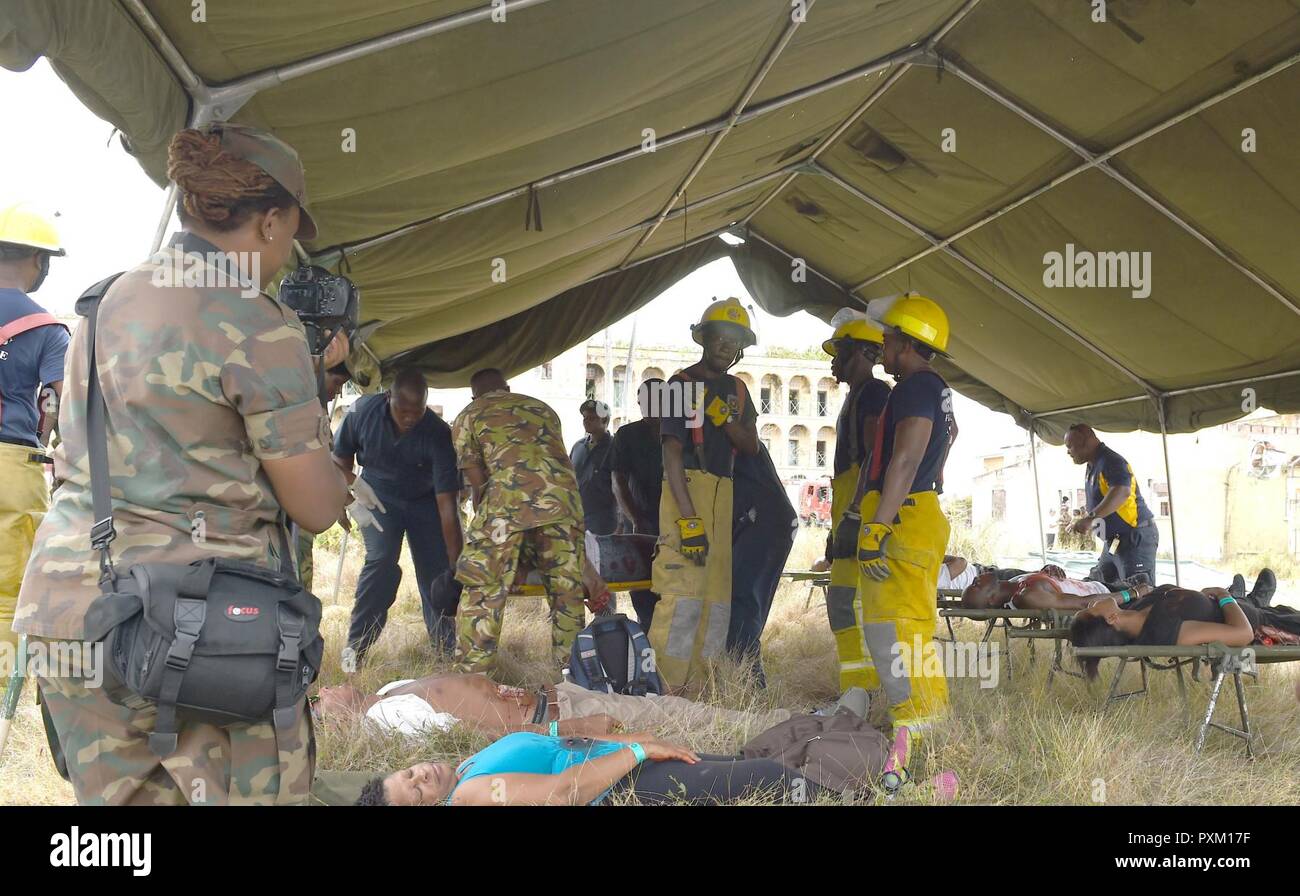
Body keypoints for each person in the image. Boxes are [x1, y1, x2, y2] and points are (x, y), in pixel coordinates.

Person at [15, 123, 352, 804]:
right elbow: (316, 506)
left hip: (69, 611)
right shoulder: (259, 323)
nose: (286, 255)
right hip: (195, 627)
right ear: (270, 221)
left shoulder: (102, 303)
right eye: (288, 235)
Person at [855, 294, 956, 757]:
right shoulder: (936, 388)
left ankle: (917, 735)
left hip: (903, 516)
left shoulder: (914, 386)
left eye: (888, 339)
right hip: (918, 512)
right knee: (905, 627)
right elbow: (948, 437)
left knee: (895, 629)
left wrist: (877, 526)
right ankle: (921, 729)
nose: (883, 346)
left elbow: (907, 456)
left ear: (903, 342)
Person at [450, 368, 590, 676]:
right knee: (567, 595)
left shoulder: (469, 414)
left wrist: (492, 541)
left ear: (475, 395)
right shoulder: (543, 409)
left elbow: (478, 483)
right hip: (564, 507)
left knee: (482, 589)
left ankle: (472, 680)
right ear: (508, 387)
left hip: (506, 508)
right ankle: (577, 678)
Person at [651, 297, 759, 687]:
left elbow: (752, 447)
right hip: (687, 492)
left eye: (735, 339)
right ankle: (662, 691)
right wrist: (688, 519)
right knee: (682, 599)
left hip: (722, 495)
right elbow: (671, 455)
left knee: (715, 602)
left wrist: (726, 421)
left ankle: (701, 692)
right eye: (720, 336)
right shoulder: (676, 387)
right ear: (704, 337)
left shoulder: (739, 391)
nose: (727, 345)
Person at [332, 368, 464, 664]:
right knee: (380, 565)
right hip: (377, 496)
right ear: (388, 397)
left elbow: (447, 504)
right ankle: (356, 651)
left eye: (416, 413)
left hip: (425, 502)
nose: (409, 419)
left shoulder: (438, 433)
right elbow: (338, 460)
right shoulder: (362, 412)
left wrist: (455, 564)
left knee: (436, 573)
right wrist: (347, 497)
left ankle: (444, 652)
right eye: (402, 411)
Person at [356, 731, 816, 806]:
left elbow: (558, 744)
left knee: (748, 768)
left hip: (618, 763)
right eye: (416, 793)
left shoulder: (466, 767)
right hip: (618, 787)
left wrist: (633, 740)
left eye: (408, 775)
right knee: (765, 778)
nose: (421, 777)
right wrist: (637, 752)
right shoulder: (470, 794)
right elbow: (561, 793)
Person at [312, 671, 790, 738]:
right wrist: (565, 731)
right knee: (681, 717)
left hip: (554, 699)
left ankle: (790, 723)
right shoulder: (386, 716)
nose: (326, 690)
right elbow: (471, 737)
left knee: (670, 709)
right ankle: (790, 724)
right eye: (320, 702)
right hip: (560, 717)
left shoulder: (391, 690)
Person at [0, 203, 69, 654]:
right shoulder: (48, 329)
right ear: (38, 261)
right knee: (7, 598)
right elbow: (69, 405)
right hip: (12, 471)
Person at [822, 309, 892, 692]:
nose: (834, 361)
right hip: (849, 510)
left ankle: (866, 692)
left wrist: (853, 514)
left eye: (841, 352)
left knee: (855, 605)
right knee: (843, 604)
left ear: (863, 353)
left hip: (860, 510)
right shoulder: (856, 396)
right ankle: (856, 691)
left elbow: (872, 458)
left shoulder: (875, 394)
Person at [1070, 585, 1257, 679]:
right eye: (1091, 607)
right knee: (1260, 607)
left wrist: (1133, 592)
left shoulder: (1133, 611)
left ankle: (1248, 596)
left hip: (1230, 604)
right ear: (1111, 619)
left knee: (1247, 597)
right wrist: (1223, 594)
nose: (1092, 603)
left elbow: (1145, 587)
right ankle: (1251, 598)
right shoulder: (1166, 630)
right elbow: (1243, 633)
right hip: (1253, 619)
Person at [727, 443, 796, 687]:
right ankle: (744, 680)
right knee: (743, 604)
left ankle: (750, 687)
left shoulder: (733, 437)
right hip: (766, 523)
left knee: (742, 604)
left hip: (762, 523)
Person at [1065, 424, 1158, 584]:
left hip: (1134, 539)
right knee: (1099, 586)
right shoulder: (1093, 464)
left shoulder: (1111, 461)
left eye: (1070, 446)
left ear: (1086, 442)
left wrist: (1090, 519)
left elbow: (1122, 491)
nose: (1068, 452)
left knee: (1138, 594)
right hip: (1113, 542)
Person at [609, 378, 666, 628]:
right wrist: (634, 518)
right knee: (643, 587)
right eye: (646, 401)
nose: (651, 406)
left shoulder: (682, 433)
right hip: (642, 524)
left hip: (677, 522)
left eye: (658, 400)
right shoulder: (627, 434)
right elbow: (617, 479)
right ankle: (647, 634)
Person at [961, 567, 1153, 612]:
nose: (976, 578)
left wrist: (1047, 571)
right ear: (992, 600)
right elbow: (1083, 603)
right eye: (976, 585)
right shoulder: (1027, 596)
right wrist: (1133, 593)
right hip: (1113, 595)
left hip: (1094, 583)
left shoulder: (1015, 582)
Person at [570, 398, 619, 535]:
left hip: (604, 520)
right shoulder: (578, 447)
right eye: (585, 417)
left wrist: (620, 522)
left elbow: (622, 484)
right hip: (578, 517)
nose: (586, 421)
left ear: (604, 421)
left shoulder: (615, 447)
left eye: (592, 418)